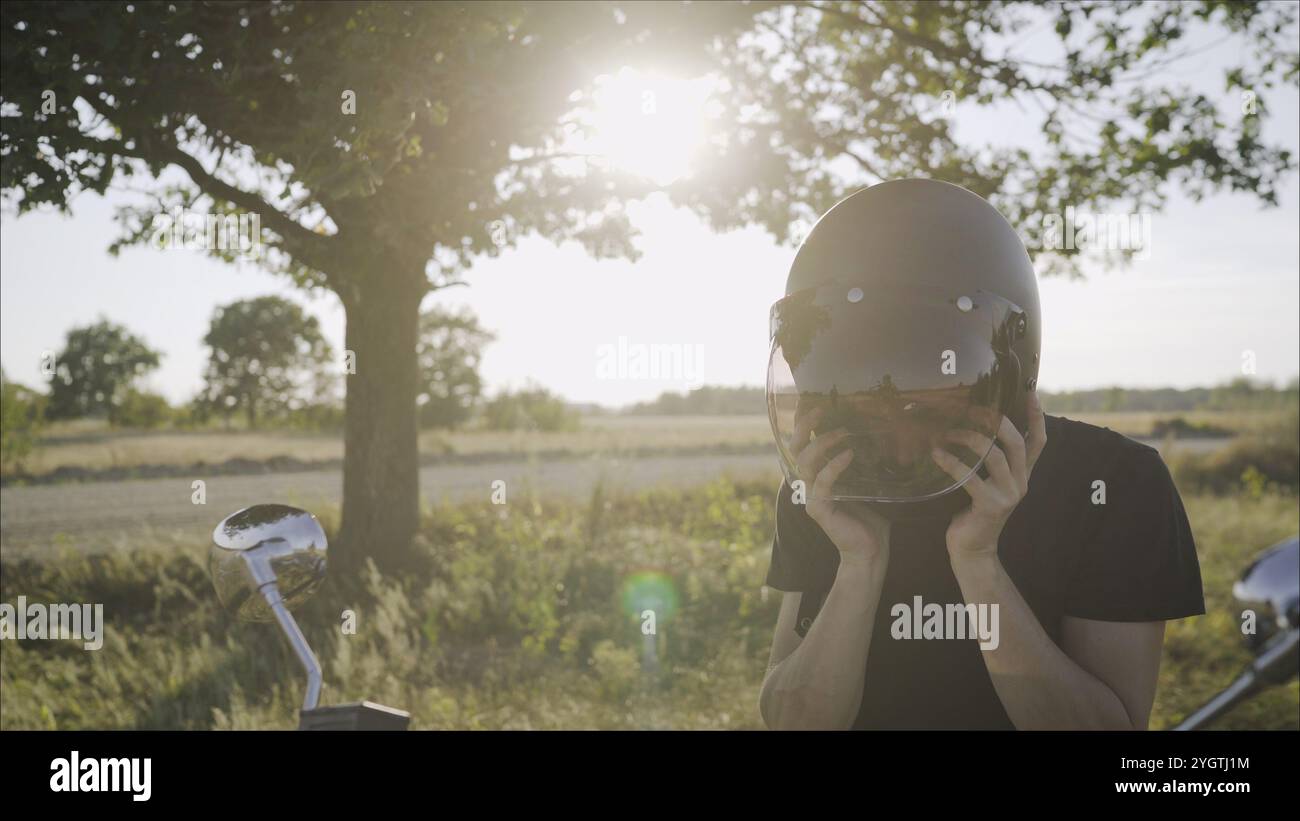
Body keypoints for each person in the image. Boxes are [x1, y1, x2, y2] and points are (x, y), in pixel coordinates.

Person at [759, 180, 1205, 730]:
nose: (900, 449)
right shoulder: (831, 483)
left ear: (1009, 377)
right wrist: (858, 564)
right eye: (868, 412)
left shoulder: (1115, 483)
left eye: (930, 411)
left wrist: (978, 563)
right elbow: (795, 723)